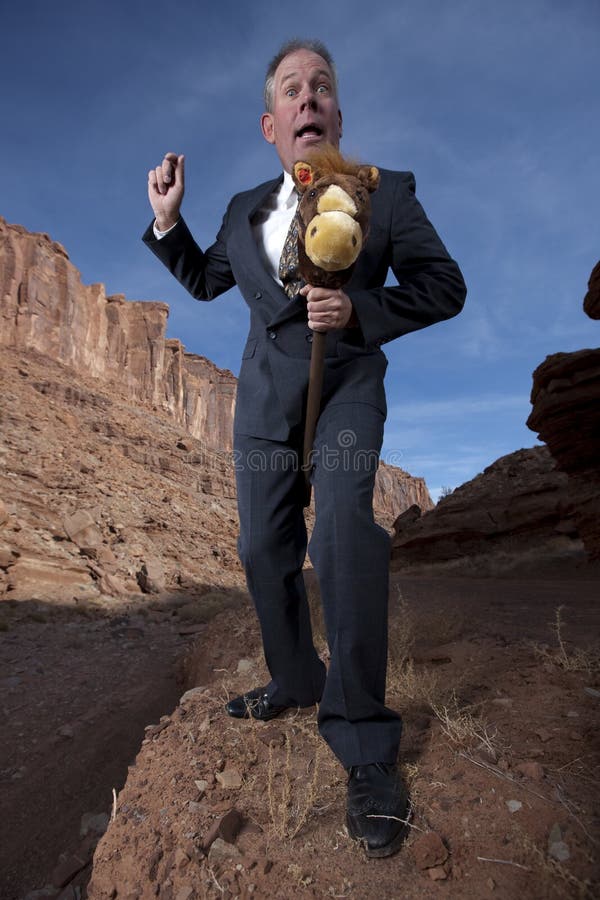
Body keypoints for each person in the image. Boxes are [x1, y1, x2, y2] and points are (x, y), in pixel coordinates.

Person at [143, 38, 466, 858]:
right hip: (263, 404)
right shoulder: (243, 208)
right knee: (262, 546)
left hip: (348, 388)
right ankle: (293, 678)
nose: (309, 97)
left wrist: (363, 313)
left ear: (338, 115)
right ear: (272, 123)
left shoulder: (384, 194)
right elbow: (209, 279)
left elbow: (444, 287)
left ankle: (364, 741)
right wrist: (169, 221)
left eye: (321, 86)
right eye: (293, 89)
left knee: (343, 532)